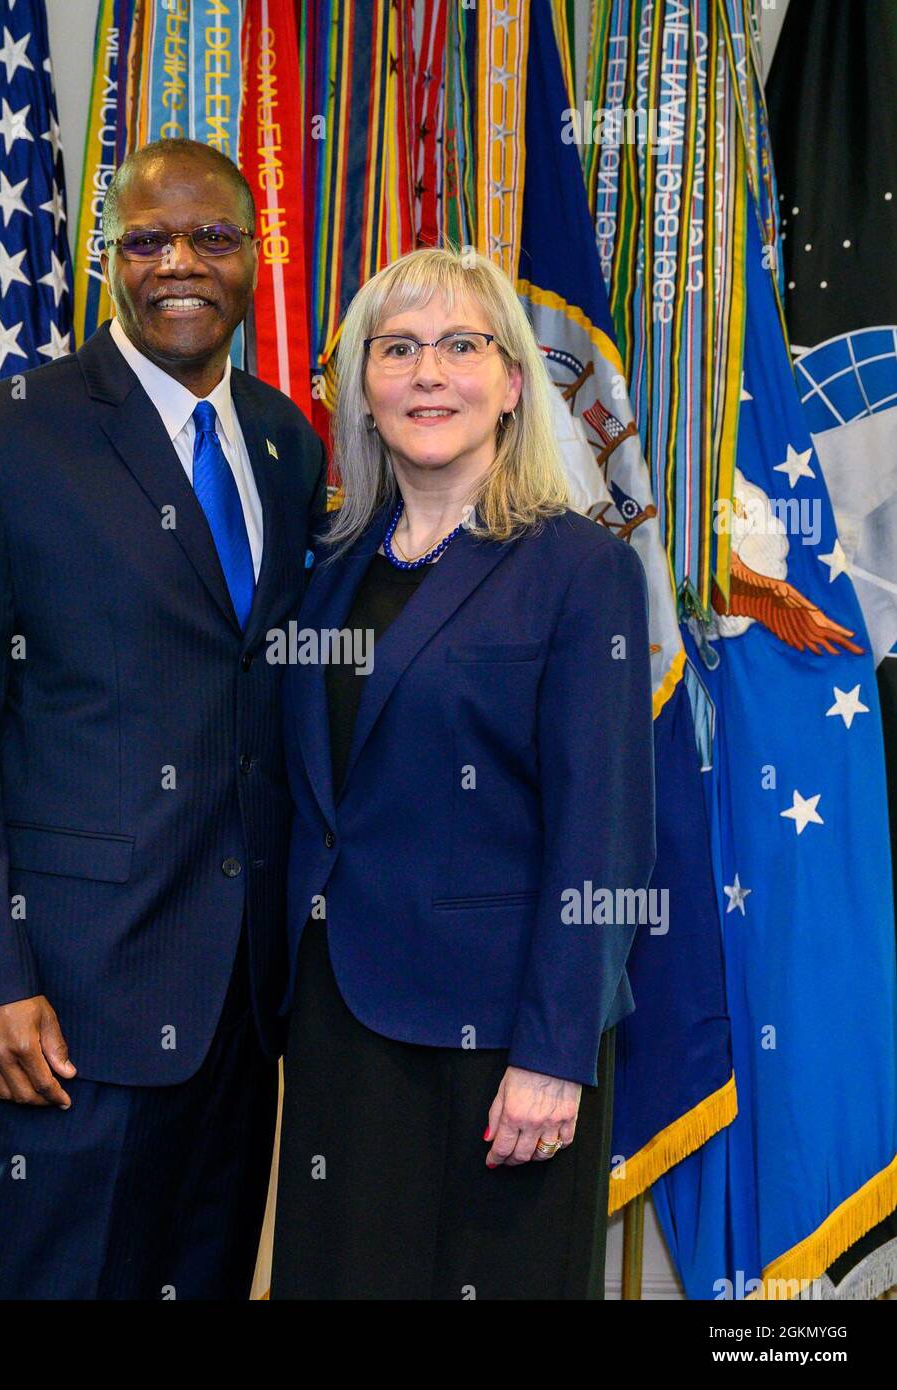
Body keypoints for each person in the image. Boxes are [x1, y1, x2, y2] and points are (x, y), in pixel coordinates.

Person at [0, 138, 327, 1299]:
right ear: (109, 261)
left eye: (213, 237)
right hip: (69, 1005)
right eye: (148, 239)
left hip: (241, 1008)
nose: (181, 262)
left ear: (256, 255)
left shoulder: (289, 445)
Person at [270, 246, 656, 1300]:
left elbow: (606, 828)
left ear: (513, 384)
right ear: (362, 389)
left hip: (501, 1044)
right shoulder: (331, 572)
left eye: (459, 346)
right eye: (396, 349)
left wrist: (555, 1049)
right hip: (341, 1027)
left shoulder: (581, 568)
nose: (426, 372)